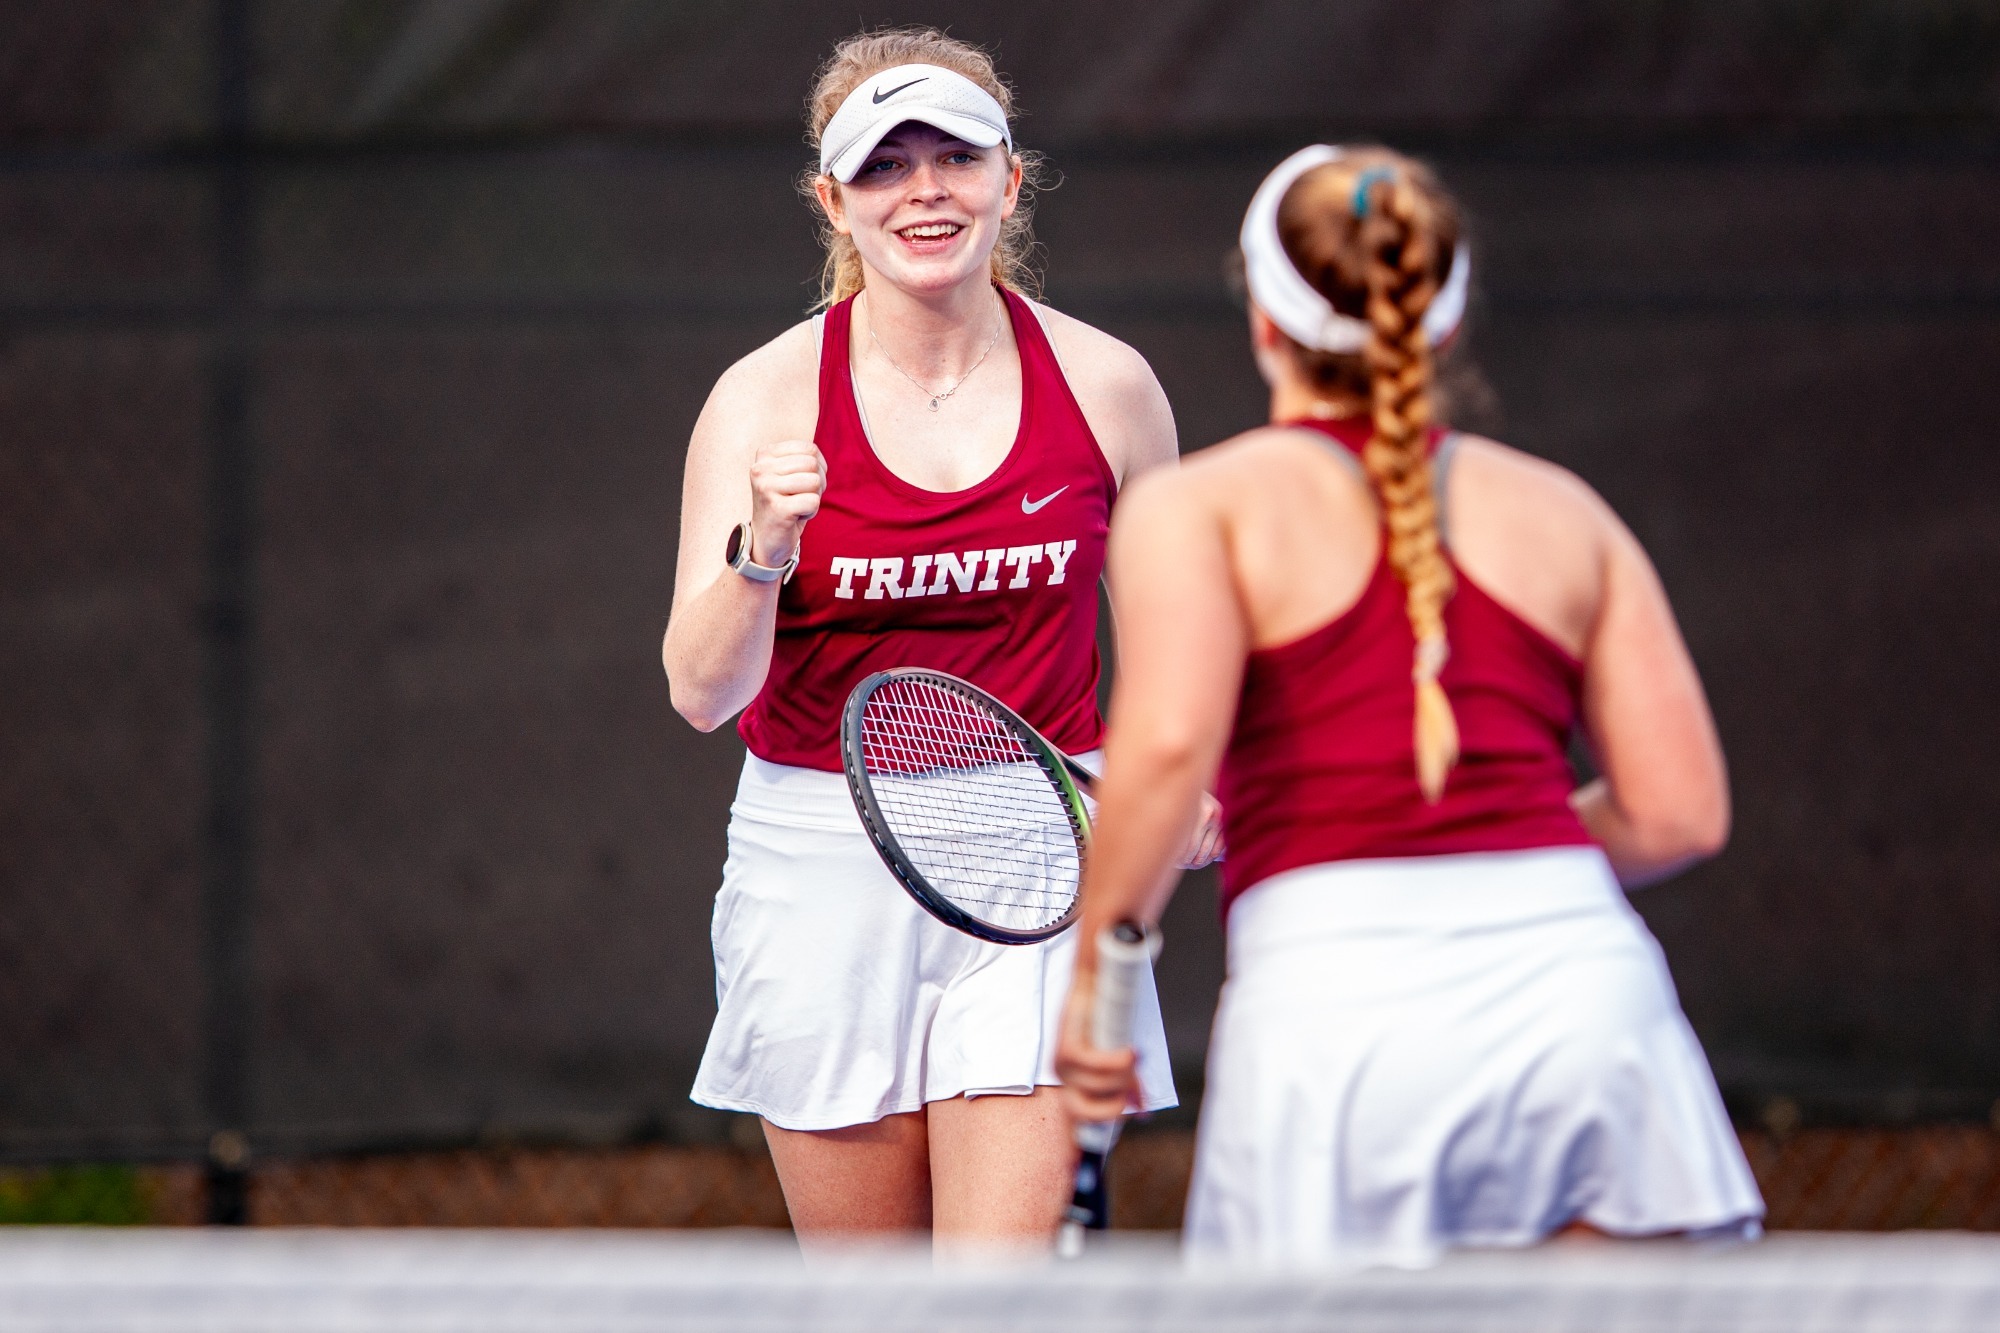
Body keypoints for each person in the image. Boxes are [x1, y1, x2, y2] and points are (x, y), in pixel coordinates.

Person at [1054, 144, 1764, 1266]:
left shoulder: (1200, 509)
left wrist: (1094, 980)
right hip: (1585, 1007)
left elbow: (1167, 749)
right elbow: (1676, 816)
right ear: (1441, 322)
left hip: (1338, 1020)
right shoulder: (1563, 512)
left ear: (1264, 324)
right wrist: (1487, 851)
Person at [662, 29, 1196, 1250]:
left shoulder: (1108, 385)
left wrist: (1180, 783)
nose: (925, 191)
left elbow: (1172, 650)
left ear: (1011, 178)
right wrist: (763, 548)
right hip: (818, 863)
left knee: (997, 1303)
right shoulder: (761, 397)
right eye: (884, 165)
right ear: (832, 202)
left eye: (955, 155)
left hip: (1045, 855)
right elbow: (700, 691)